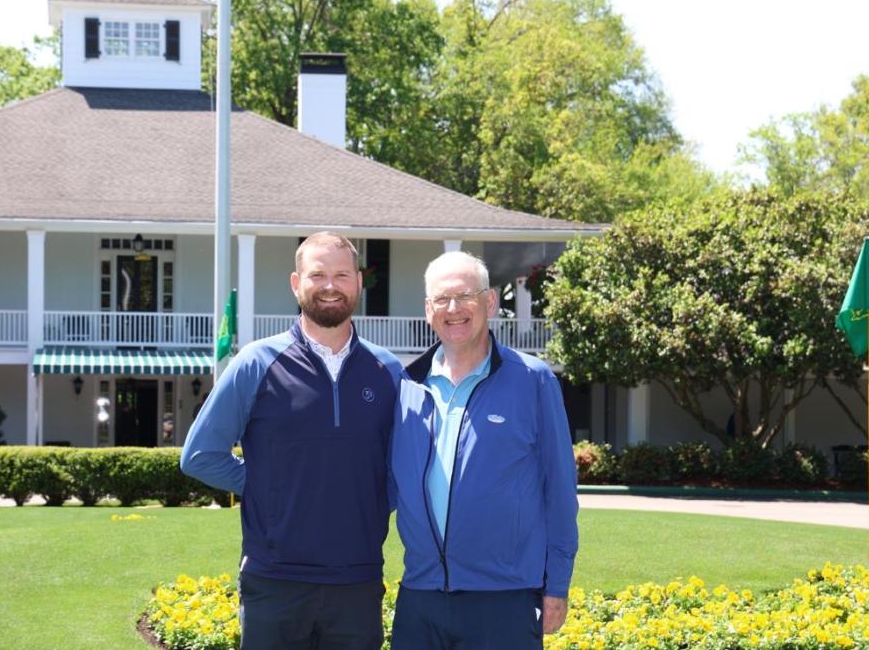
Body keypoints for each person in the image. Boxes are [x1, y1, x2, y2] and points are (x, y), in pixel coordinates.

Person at [181, 232, 403, 650]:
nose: (330, 285)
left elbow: (404, 465)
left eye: (342, 275)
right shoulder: (256, 362)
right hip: (274, 582)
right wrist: (268, 487)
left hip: (357, 582)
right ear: (296, 283)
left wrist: (370, 501)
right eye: (317, 274)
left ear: (358, 282)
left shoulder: (388, 370)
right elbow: (200, 455)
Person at [389, 251, 579, 650]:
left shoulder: (533, 380)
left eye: (465, 296)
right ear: (428, 310)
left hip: (504, 598)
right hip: (420, 596)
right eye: (442, 299)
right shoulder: (407, 387)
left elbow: (560, 492)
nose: (453, 309)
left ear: (490, 302)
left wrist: (557, 585)